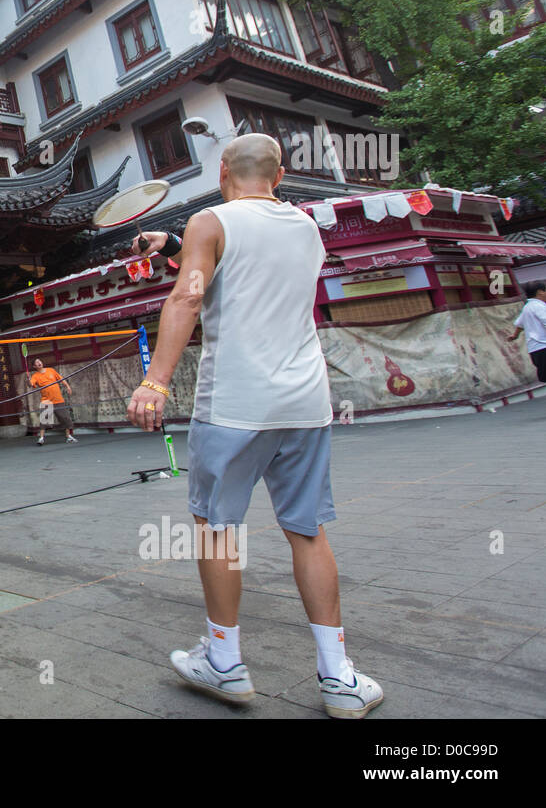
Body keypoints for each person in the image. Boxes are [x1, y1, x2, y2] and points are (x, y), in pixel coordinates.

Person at [126, 133, 383, 719]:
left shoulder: (209, 221)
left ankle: (224, 662)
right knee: (308, 530)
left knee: (218, 529)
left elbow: (189, 298)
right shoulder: (307, 228)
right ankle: (339, 677)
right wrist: (176, 242)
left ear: (221, 171)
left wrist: (156, 381)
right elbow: (249, 266)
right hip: (305, 401)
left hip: (236, 404)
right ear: (281, 175)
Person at [507, 280, 546, 383]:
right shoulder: (539, 306)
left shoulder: (527, 307)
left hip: (535, 350)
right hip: (544, 347)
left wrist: (515, 335)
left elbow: (520, 323)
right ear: (540, 292)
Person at [29, 357, 76, 445]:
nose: (39, 363)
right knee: (44, 421)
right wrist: (28, 380)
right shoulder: (35, 376)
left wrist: (68, 386)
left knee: (66, 419)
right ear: (34, 366)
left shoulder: (51, 370)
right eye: (36, 362)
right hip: (46, 401)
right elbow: (31, 384)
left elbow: (61, 379)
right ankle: (41, 438)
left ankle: (68, 437)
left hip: (58, 400)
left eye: (39, 361)